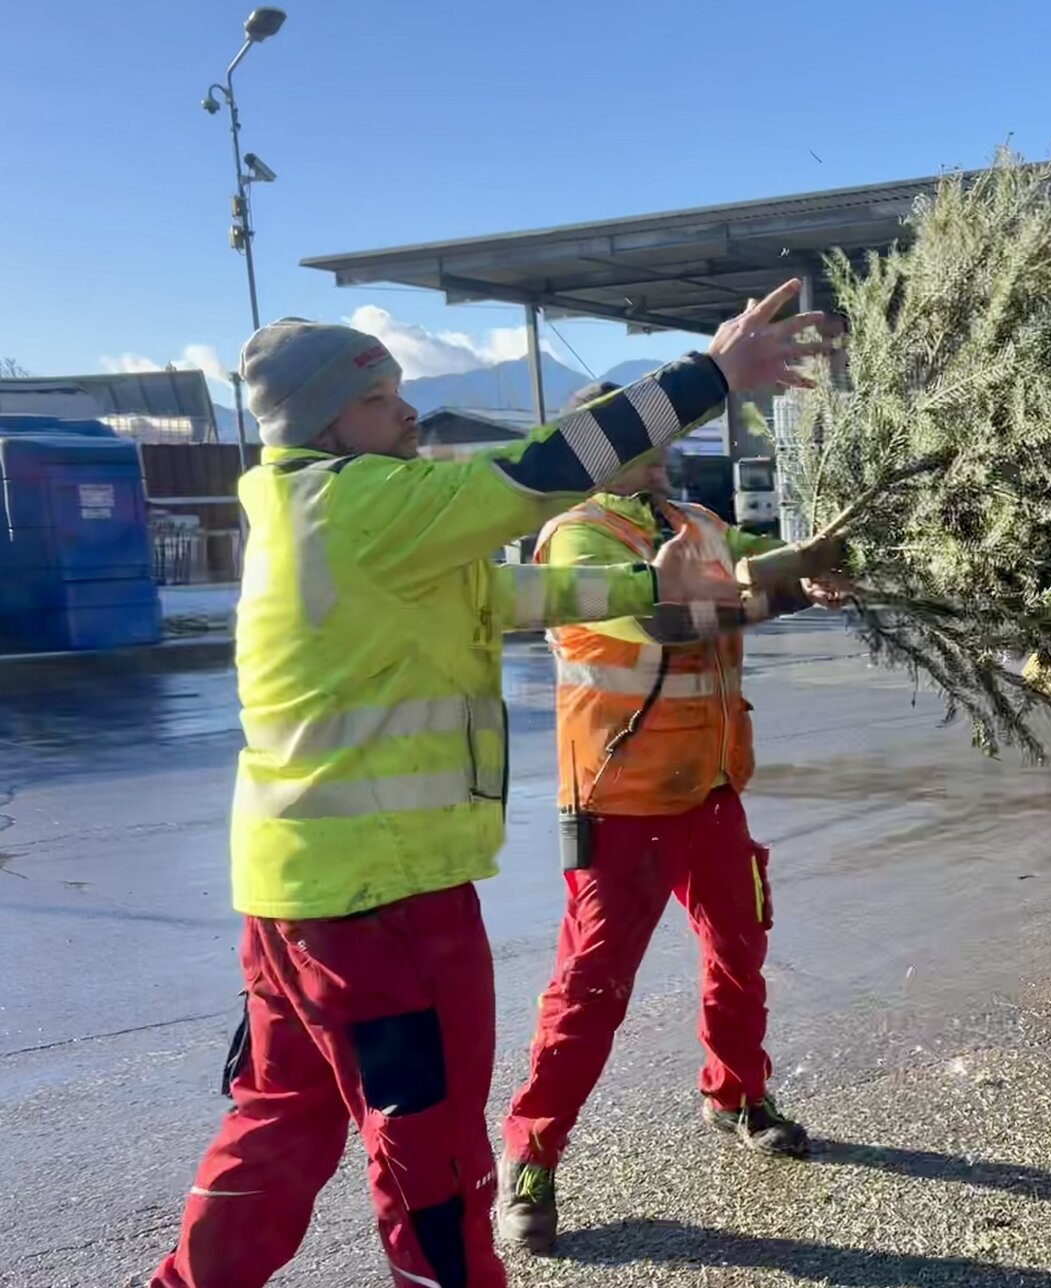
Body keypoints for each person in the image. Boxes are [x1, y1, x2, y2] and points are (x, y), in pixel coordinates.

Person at [149, 281, 833, 1288]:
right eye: (384, 400)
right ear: (333, 418)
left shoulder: (324, 519)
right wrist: (713, 373)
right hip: (385, 900)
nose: (409, 413)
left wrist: (656, 584)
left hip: (295, 896)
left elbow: (514, 592)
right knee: (432, 1160)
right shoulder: (363, 499)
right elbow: (534, 475)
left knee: (279, 1120)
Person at [495, 380, 843, 1254]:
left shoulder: (693, 519)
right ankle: (530, 1154)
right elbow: (665, 617)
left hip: (711, 788)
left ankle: (736, 1094)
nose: (666, 445)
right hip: (623, 804)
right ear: (598, 448)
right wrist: (787, 588)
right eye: (646, 435)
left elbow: (757, 564)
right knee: (592, 987)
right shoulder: (575, 539)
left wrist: (815, 562)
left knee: (739, 946)